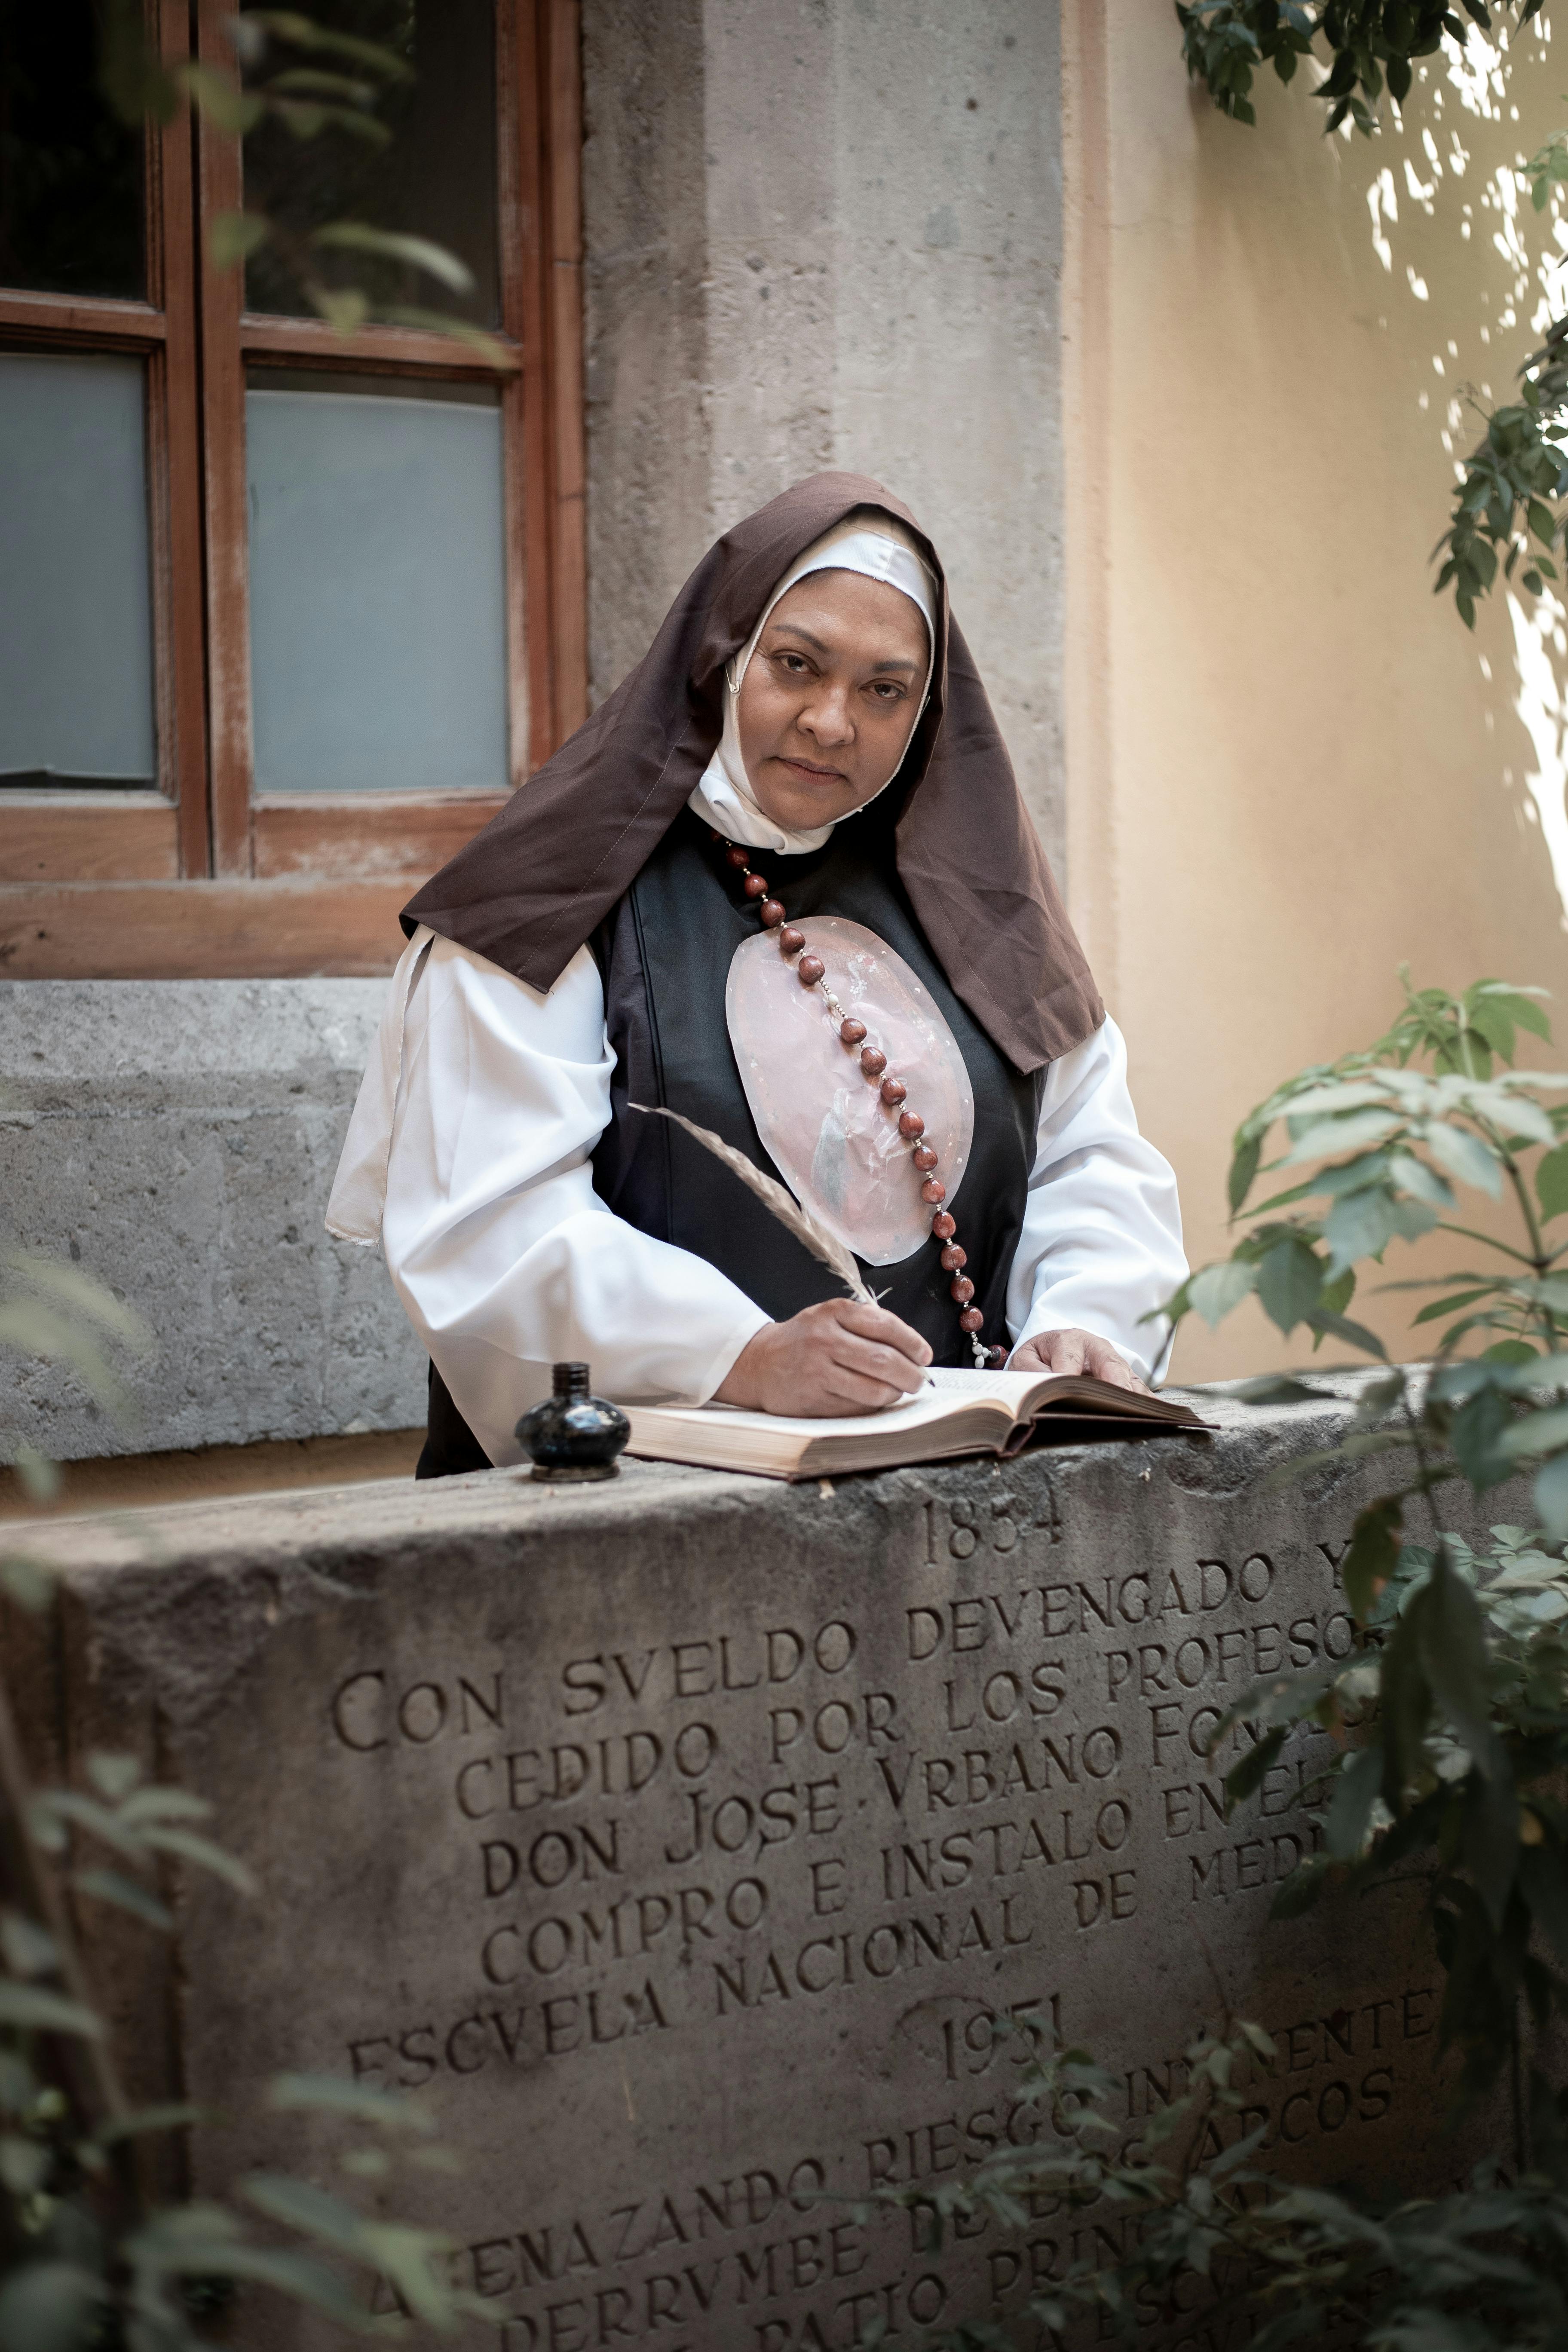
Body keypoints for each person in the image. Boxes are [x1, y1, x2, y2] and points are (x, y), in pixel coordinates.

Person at [327, 472, 1185, 1476]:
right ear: (725, 659)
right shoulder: (553, 897)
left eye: (883, 690)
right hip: (637, 1518)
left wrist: (1087, 1320)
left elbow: (1089, 1155)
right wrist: (739, 1354)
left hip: (955, 1510)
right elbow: (491, 1223)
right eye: (796, 665)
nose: (832, 721)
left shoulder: (976, 904)